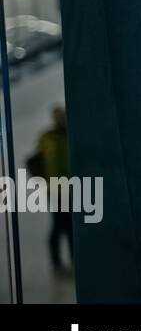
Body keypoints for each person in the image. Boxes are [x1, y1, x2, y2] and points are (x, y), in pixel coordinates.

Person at [29, 104, 73, 271]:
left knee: (69, 224)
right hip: (54, 189)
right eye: (58, 116)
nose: (60, 119)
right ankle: (57, 260)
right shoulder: (47, 137)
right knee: (60, 224)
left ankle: (73, 258)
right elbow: (37, 159)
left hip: (70, 187)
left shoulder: (68, 135)